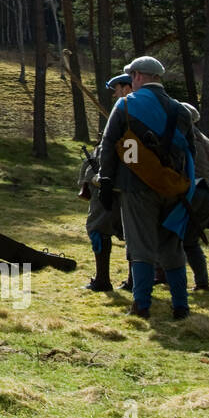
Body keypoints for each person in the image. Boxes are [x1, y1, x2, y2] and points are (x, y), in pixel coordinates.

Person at [98, 56, 196, 320]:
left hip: (136, 187)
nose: (131, 80)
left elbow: (108, 145)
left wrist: (105, 181)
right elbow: (191, 154)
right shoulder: (182, 111)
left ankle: (141, 305)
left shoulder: (126, 105)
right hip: (173, 189)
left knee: (140, 247)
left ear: (139, 76)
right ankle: (180, 306)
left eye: (131, 76)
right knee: (172, 247)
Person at [78, 74, 132, 292]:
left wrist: (104, 178)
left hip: (111, 186)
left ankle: (103, 280)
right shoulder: (127, 115)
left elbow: (124, 155)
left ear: (128, 88)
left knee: (98, 229)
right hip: (118, 185)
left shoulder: (129, 116)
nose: (114, 93)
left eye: (117, 88)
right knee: (130, 234)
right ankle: (133, 281)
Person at [180, 102, 209, 291]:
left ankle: (166, 276)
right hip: (207, 195)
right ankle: (202, 282)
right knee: (189, 241)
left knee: (173, 237)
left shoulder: (187, 139)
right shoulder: (205, 142)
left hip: (192, 193)